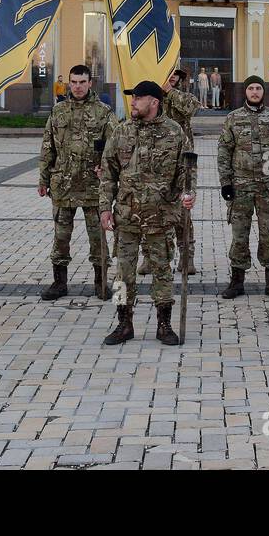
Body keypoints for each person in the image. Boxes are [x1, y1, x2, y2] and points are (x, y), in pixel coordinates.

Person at [98, 81, 194, 346]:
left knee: (162, 271)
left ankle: (164, 324)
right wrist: (105, 208)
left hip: (161, 217)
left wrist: (188, 194)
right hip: (127, 217)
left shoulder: (175, 133)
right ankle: (123, 323)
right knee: (122, 274)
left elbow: (186, 171)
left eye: (138, 99)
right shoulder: (122, 132)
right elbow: (108, 173)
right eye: (132, 98)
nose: (133, 103)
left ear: (154, 102)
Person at [38, 65, 114, 300]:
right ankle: (59, 283)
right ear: (69, 83)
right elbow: (47, 146)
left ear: (90, 83)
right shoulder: (58, 111)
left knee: (97, 238)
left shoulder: (103, 112)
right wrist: (43, 178)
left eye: (82, 82)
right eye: (74, 82)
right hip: (63, 185)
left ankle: (101, 283)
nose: (78, 86)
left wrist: (109, 173)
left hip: (93, 186)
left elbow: (114, 146)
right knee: (61, 237)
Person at [218, 75, 269, 299]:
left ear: (263, 92)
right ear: (245, 92)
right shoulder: (233, 118)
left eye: (258, 88)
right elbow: (224, 151)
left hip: (268, 186)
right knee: (239, 234)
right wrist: (226, 183)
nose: (254, 92)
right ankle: (237, 280)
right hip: (241, 185)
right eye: (250, 88)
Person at [159, 68, 201, 276]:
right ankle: (152, 257)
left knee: (183, 210)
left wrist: (169, 91)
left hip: (183, 160)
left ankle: (187, 258)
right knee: (154, 212)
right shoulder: (152, 96)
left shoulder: (184, 96)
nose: (172, 76)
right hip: (157, 163)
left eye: (176, 74)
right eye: (168, 73)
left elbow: (191, 108)